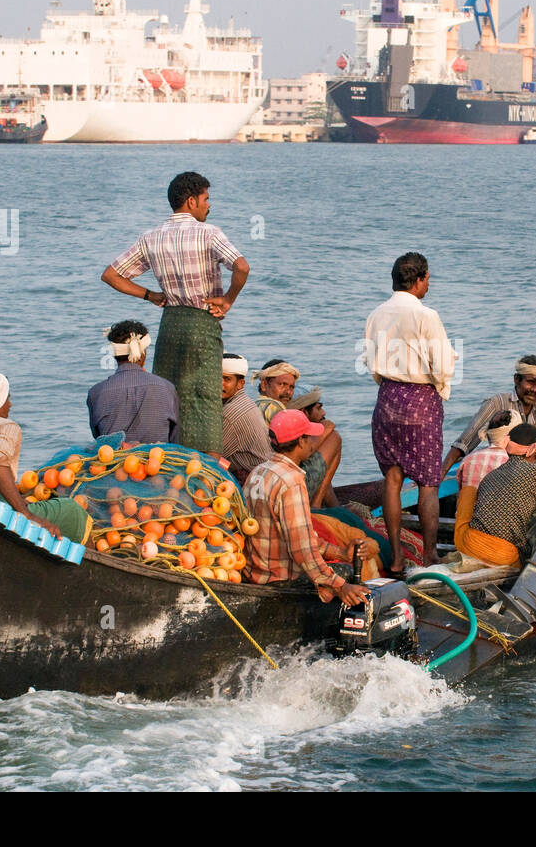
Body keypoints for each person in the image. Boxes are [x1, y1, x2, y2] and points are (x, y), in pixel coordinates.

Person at [101, 171, 250, 455]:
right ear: (192, 201)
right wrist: (228, 300)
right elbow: (242, 267)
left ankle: (167, 456)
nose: (209, 205)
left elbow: (110, 275)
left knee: (169, 394)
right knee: (204, 398)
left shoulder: (151, 237)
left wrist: (150, 295)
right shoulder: (209, 233)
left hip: (170, 323)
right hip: (202, 323)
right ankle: (207, 466)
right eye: (206, 199)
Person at [361, 251, 457, 572]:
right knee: (429, 482)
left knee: (392, 478)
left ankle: (397, 557)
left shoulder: (376, 314)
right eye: (427, 278)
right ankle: (429, 554)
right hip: (420, 400)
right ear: (418, 280)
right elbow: (442, 366)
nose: (429, 284)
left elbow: (371, 362)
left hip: (387, 398)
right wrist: (440, 389)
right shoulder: (426, 316)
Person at [0, 365, 90, 543]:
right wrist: (26, 514)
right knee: (72, 511)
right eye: (7, 399)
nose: (10, 405)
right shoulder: (5, 426)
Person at [242, 410, 372, 605]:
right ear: (301, 441)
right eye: (310, 437)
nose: (313, 442)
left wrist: (341, 553)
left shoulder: (259, 471)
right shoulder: (291, 481)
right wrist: (340, 586)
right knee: (346, 574)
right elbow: (302, 548)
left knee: (338, 566)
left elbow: (300, 536)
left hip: (254, 571)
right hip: (277, 578)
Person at [440, 355, 536, 475]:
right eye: (530, 382)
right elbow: (464, 443)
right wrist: (440, 476)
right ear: (517, 379)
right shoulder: (497, 404)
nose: (535, 389)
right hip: (503, 478)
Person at [456, 424, 536, 567]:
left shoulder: (491, 476)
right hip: (504, 556)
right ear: (534, 452)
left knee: (468, 491)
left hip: (469, 547)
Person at [86, 320, 179, 445]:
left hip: (113, 462)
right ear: (142, 354)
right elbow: (174, 436)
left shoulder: (96, 393)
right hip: (157, 460)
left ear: (114, 354)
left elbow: (98, 437)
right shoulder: (167, 387)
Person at [452, 410, 519, 552]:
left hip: (465, 535)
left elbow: (461, 497)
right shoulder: (512, 463)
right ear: (512, 436)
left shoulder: (469, 459)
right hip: (499, 541)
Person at [220, 353, 271, 483]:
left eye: (227, 379)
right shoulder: (245, 401)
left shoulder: (230, 413)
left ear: (240, 384)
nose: (220, 384)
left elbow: (212, 456)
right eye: (217, 378)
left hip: (253, 481)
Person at [291, 384, 341, 508]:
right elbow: (306, 453)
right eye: (318, 408)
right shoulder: (295, 432)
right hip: (294, 488)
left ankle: (333, 508)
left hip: (294, 484)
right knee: (334, 437)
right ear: (303, 412)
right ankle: (316, 506)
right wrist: (326, 428)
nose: (323, 413)